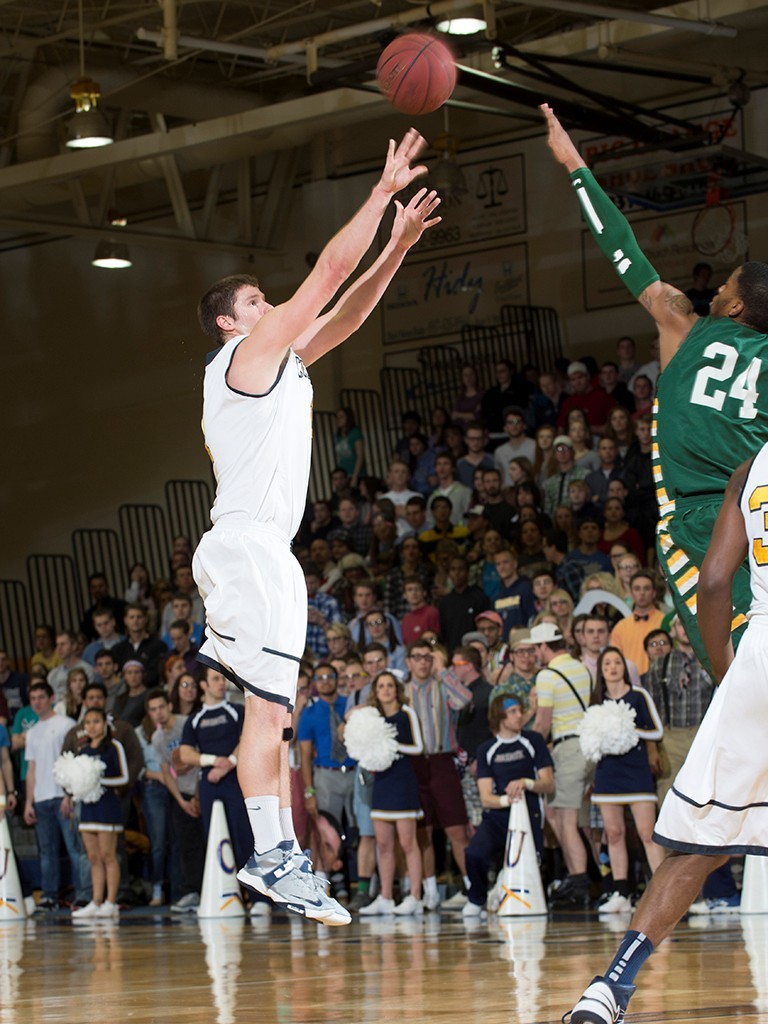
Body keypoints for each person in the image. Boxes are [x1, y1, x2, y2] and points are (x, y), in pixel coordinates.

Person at [542, 100, 768, 676]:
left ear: (737, 306)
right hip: (761, 515)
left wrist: (573, 164)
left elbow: (623, 251)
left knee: (737, 675)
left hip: (698, 521)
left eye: (726, 285)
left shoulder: (682, 324)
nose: (715, 287)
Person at [558, 443, 768, 1024]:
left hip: (758, 659)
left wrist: (730, 674)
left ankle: (611, 986)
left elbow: (715, 582)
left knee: (700, 839)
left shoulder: (749, 468)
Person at [588, 647, 664, 916]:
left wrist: (630, 730)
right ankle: (621, 892)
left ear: (624, 667)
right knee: (614, 834)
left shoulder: (638, 695)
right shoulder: (596, 700)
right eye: (607, 663)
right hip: (608, 774)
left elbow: (657, 730)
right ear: (601, 670)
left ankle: (661, 892)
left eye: (617, 662)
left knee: (647, 833)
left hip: (636, 773)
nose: (612, 667)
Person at [463, 694, 554, 918]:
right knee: (474, 853)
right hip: (498, 816)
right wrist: (507, 799)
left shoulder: (532, 741)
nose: (519, 715)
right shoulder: (488, 749)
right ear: (500, 717)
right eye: (512, 711)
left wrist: (525, 783)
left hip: (529, 814)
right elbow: (486, 797)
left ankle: (507, 892)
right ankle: (476, 898)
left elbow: (548, 783)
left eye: (519, 710)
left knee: (529, 862)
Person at [529, 621, 593, 906]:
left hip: (567, 747)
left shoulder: (547, 675)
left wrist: (529, 748)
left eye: (536, 648)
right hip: (586, 745)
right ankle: (575, 875)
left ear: (544, 646)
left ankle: (579, 880)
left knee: (566, 820)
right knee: (559, 814)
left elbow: (543, 722)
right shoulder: (581, 667)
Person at [359, 671, 425, 916]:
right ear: (375, 692)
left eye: (390, 686)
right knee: (384, 844)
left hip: (403, 783)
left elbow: (419, 747)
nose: (385, 690)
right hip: (382, 783)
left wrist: (391, 745)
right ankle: (385, 897)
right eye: (381, 686)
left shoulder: (407, 713)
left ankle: (415, 896)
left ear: (397, 689)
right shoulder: (374, 717)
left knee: (408, 843)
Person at [70, 707, 129, 921]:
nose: (91, 726)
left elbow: (124, 778)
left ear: (105, 723)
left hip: (107, 808)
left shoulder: (114, 747)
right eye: (88, 722)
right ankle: (96, 901)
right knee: (93, 857)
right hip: (87, 809)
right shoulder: (83, 750)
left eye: (96, 721)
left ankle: (111, 902)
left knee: (108, 856)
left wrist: (98, 781)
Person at [334, 407, 366, 490]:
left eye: (341, 417)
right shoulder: (338, 436)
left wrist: (355, 477)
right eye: (337, 417)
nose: (338, 419)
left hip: (356, 473)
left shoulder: (355, 433)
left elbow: (360, 456)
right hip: (344, 475)